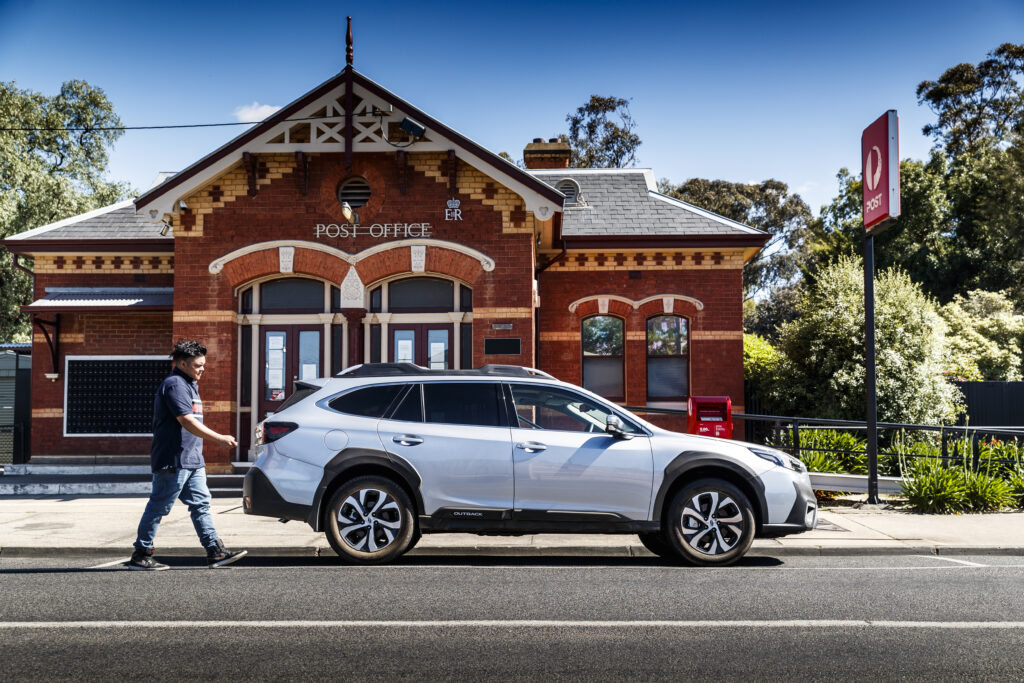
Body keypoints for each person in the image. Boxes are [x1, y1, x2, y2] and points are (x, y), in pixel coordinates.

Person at [129, 340, 247, 570]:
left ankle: (215, 551)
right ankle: (141, 554)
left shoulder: (190, 384)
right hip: (174, 459)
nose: (202, 369)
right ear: (182, 363)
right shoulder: (174, 384)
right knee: (159, 506)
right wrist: (220, 438)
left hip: (192, 460)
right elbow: (186, 421)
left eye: (203, 364)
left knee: (201, 505)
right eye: (197, 365)